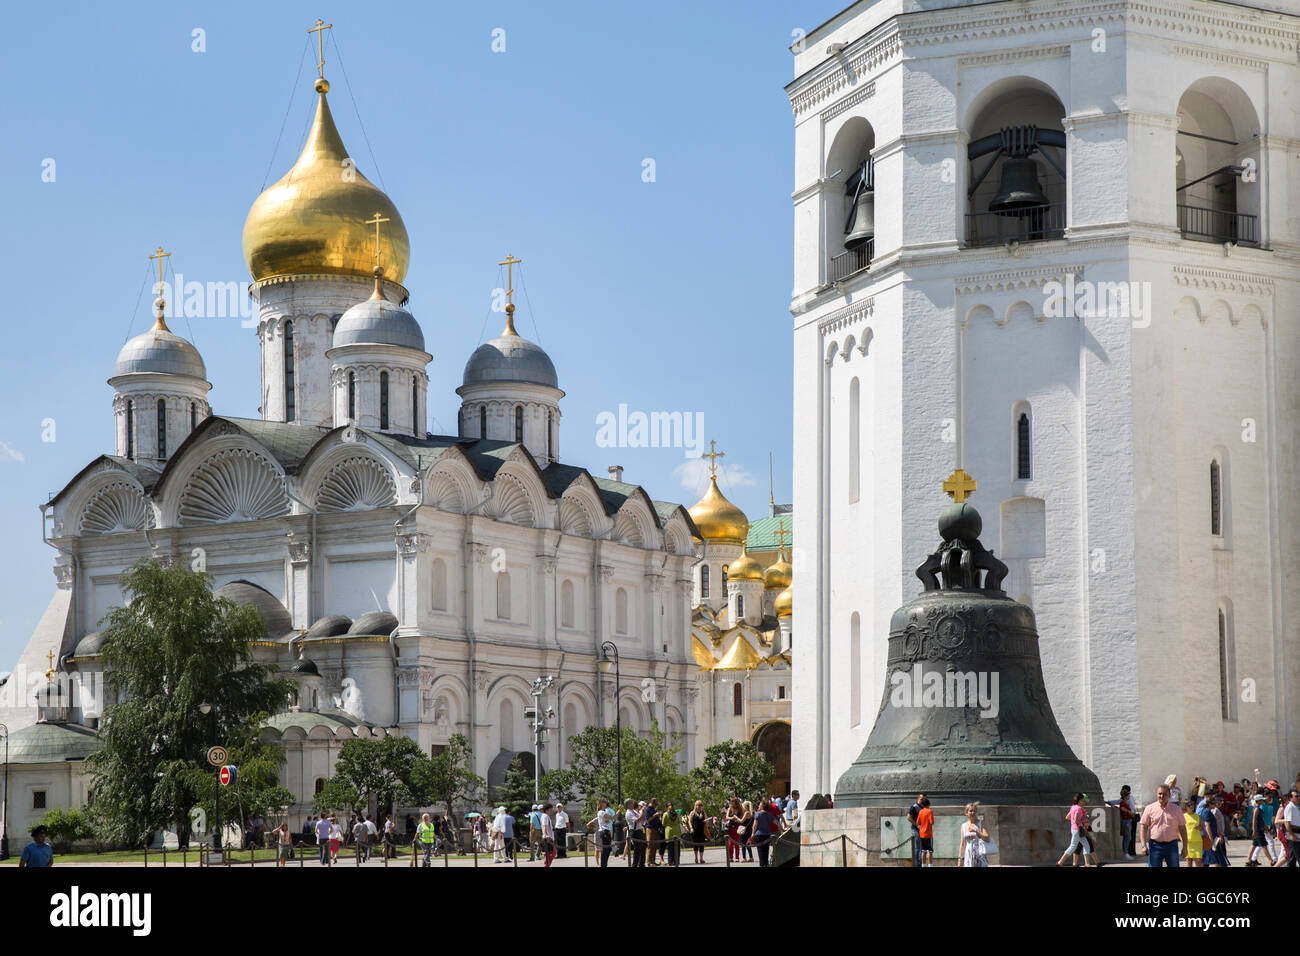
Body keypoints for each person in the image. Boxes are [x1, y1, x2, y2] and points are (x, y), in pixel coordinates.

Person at [1139, 783, 1187, 867]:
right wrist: (1143, 845)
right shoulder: (1149, 808)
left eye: (1164, 794)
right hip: (1155, 845)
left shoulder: (1176, 809)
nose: (1162, 796)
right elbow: (1143, 827)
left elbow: (1182, 828)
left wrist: (1185, 847)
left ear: (1169, 795)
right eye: (1159, 794)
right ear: (1156, 794)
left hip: (1172, 845)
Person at [1056, 793, 1096, 867]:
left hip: (1075, 829)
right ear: (1079, 800)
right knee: (1073, 847)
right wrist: (1084, 820)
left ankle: (1087, 864)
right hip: (1078, 829)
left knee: (1086, 845)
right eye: (1083, 801)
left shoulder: (1073, 807)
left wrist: (1077, 820)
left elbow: (1067, 817)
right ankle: (1060, 862)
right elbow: (1076, 820)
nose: (1084, 802)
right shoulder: (1079, 808)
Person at [958, 803, 990, 867]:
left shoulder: (981, 823)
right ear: (966, 813)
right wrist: (960, 859)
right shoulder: (963, 826)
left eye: (974, 811)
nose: (973, 812)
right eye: (970, 811)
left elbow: (987, 838)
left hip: (980, 854)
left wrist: (977, 831)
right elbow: (963, 843)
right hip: (969, 855)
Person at [752, 799, 782, 867]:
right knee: (766, 851)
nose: (758, 805)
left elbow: (755, 825)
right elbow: (777, 822)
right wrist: (781, 829)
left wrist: (752, 833)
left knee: (760, 852)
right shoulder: (769, 814)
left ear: (762, 806)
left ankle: (762, 865)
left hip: (759, 835)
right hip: (767, 835)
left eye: (759, 804)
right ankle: (765, 864)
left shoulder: (757, 814)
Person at [1246, 794, 1274, 866]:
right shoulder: (1256, 809)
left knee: (1254, 845)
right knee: (1264, 845)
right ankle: (1271, 860)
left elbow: (1261, 819)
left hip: (1260, 829)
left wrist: (1265, 826)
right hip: (1258, 830)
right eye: (1261, 800)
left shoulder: (1259, 809)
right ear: (1258, 801)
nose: (1263, 801)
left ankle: (1248, 860)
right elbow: (1254, 820)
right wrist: (1254, 830)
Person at [589, 797, 615, 868]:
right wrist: (619, 810)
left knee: (607, 848)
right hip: (604, 832)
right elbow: (612, 818)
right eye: (604, 802)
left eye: (606, 802)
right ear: (601, 803)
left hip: (606, 831)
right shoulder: (601, 812)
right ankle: (603, 864)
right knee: (605, 848)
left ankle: (604, 864)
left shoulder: (603, 812)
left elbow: (608, 820)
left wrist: (607, 820)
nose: (606, 803)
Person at [1181, 799, 1203, 867]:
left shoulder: (1198, 816)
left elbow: (1202, 828)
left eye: (1192, 805)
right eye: (1188, 805)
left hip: (1197, 841)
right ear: (1185, 807)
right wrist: (1181, 839)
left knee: (1198, 861)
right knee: (1189, 861)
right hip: (1188, 842)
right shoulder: (1183, 816)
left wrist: (1199, 827)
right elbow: (1178, 829)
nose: (1191, 806)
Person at [907, 792, 926, 868]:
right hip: (916, 829)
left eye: (924, 799)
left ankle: (920, 864)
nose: (922, 801)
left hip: (923, 830)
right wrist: (917, 825)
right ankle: (917, 865)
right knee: (918, 848)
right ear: (918, 799)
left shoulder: (924, 808)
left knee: (921, 848)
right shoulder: (914, 807)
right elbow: (908, 817)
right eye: (921, 799)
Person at [1282, 789, 1300, 868]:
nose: (1298, 798)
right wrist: (1291, 835)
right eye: (1296, 796)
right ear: (1290, 798)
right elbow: (1287, 823)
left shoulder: (1295, 807)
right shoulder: (1289, 807)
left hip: (1297, 834)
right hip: (1294, 835)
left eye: (1298, 796)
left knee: (1291, 859)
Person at [1118, 785, 1136, 859]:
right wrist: (1129, 812)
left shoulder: (1125, 802)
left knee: (1129, 837)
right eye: (1128, 795)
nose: (1129, 797)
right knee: (1127, 837)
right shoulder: (1123, 802)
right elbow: (1122, 808)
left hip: (1128, 820)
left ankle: (1126, 852)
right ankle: (1125, 852)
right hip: (1125, 821)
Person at [627, 800, 646, 867]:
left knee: (642, 848)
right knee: (637, 849)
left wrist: (643, 812)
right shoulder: (628, 813)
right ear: (628, 805)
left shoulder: (634, 811)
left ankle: (641, 864)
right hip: (635, 831)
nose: (633, 804)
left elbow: (642, 820)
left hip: (639, 830)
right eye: (631, 803)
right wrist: (643, 812)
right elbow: (637, 820)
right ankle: (634, 864)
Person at [662, 802, 682, 867]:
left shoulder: (665, 814)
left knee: (670, 848)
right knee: (677, 847)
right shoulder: (677, 813)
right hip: (676, 831)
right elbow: (679, 821)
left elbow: (663, 823)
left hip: (669, 832)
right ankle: (677, 861)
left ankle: (670, 862)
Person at [644, 798, 663, 865]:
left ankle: (653, 861)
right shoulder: (648, 809)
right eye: (656, 804)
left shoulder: (653, 809)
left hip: (656, 829)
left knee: (655, 846)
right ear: (652, 803)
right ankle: (649, 862)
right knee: (650, 845)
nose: (657, 805)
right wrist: (655, 815)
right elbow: (648, 820)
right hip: (650, 829)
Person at [916, 797, 934, 867]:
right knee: (930, 851)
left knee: (923, 851)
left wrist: (920, 827)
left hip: (922, 833)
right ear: (929, 804)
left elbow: (917, 822)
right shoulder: (930, 811)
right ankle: (930, 865)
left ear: (922, 805)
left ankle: (923, 865)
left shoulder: (921, 811)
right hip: (929, 834)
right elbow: (931, 822)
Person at [725, 798, 743, 863]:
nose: (731, 803)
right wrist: (732, 818)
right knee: (730, 844)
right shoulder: (729, 809)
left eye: (732, 801)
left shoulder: (740, 809)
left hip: (737, 827)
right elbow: (726, 817)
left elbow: (742, 818)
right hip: (731, 828)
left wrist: (737, 819)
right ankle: (730, 857)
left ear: (736, 802)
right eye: (731, 802)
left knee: (737, 843)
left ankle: (737, 857)